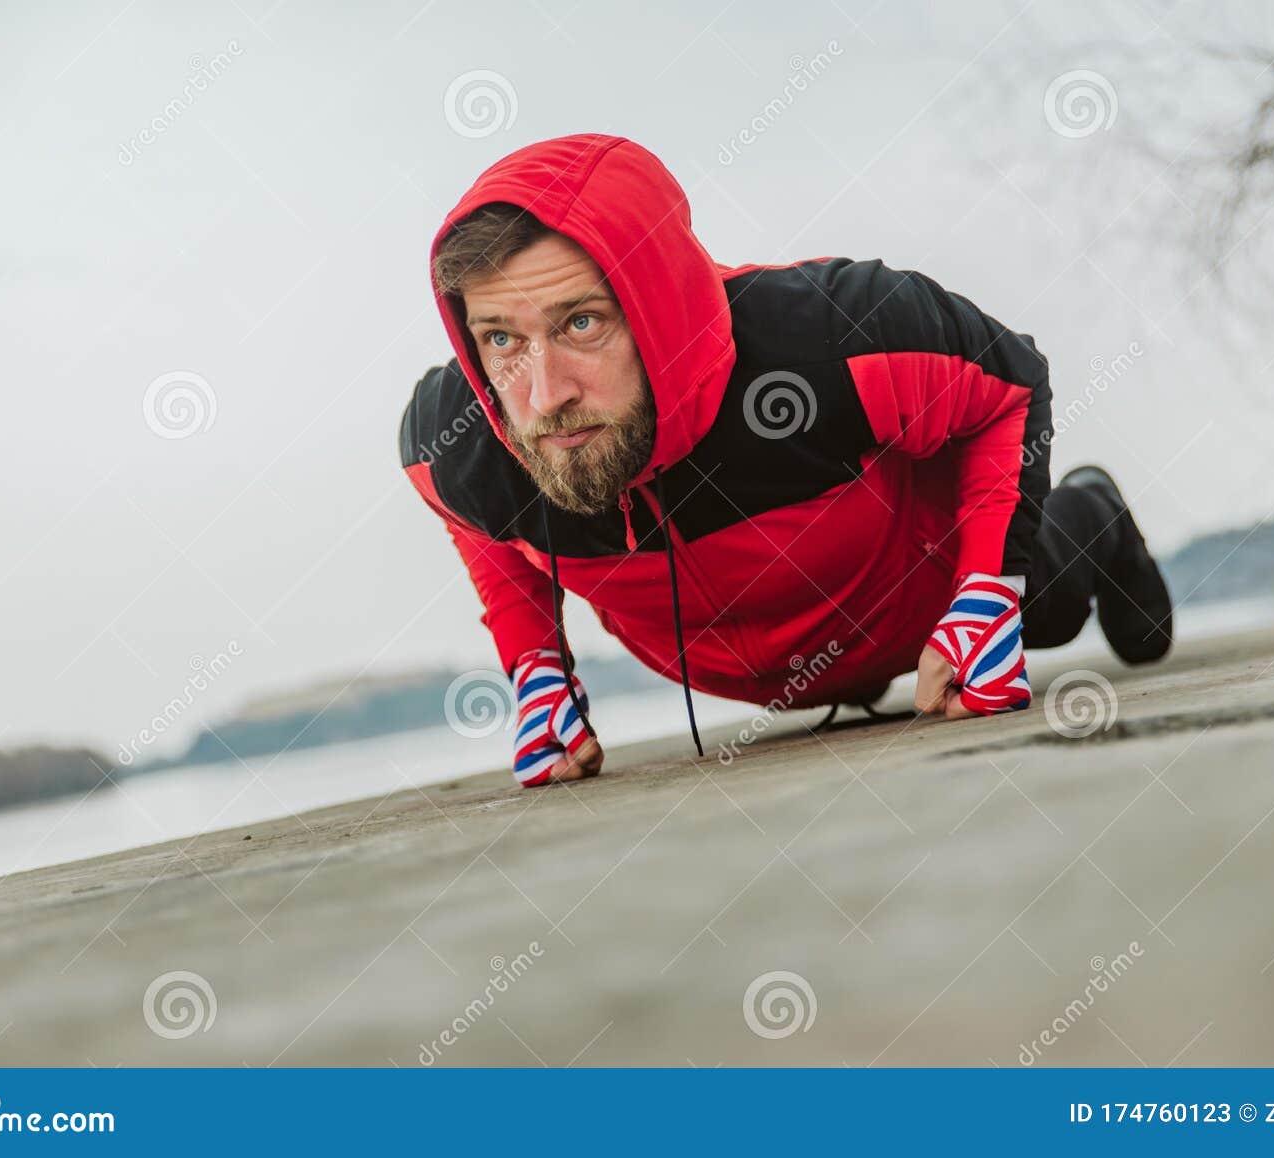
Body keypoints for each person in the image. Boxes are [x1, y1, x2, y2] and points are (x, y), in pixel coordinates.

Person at [399, 134, 1172, 787]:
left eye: (581, 322)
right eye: (501, 337)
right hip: (724, 670)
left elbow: (1007, 383)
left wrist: (987, 591)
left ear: (658, 304)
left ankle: (1094, 508)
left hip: (912, 595)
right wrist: (534, 666)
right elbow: (474, 521)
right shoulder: (464, 436)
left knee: (1053, 607)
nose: (544, 394)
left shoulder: (828, 334)